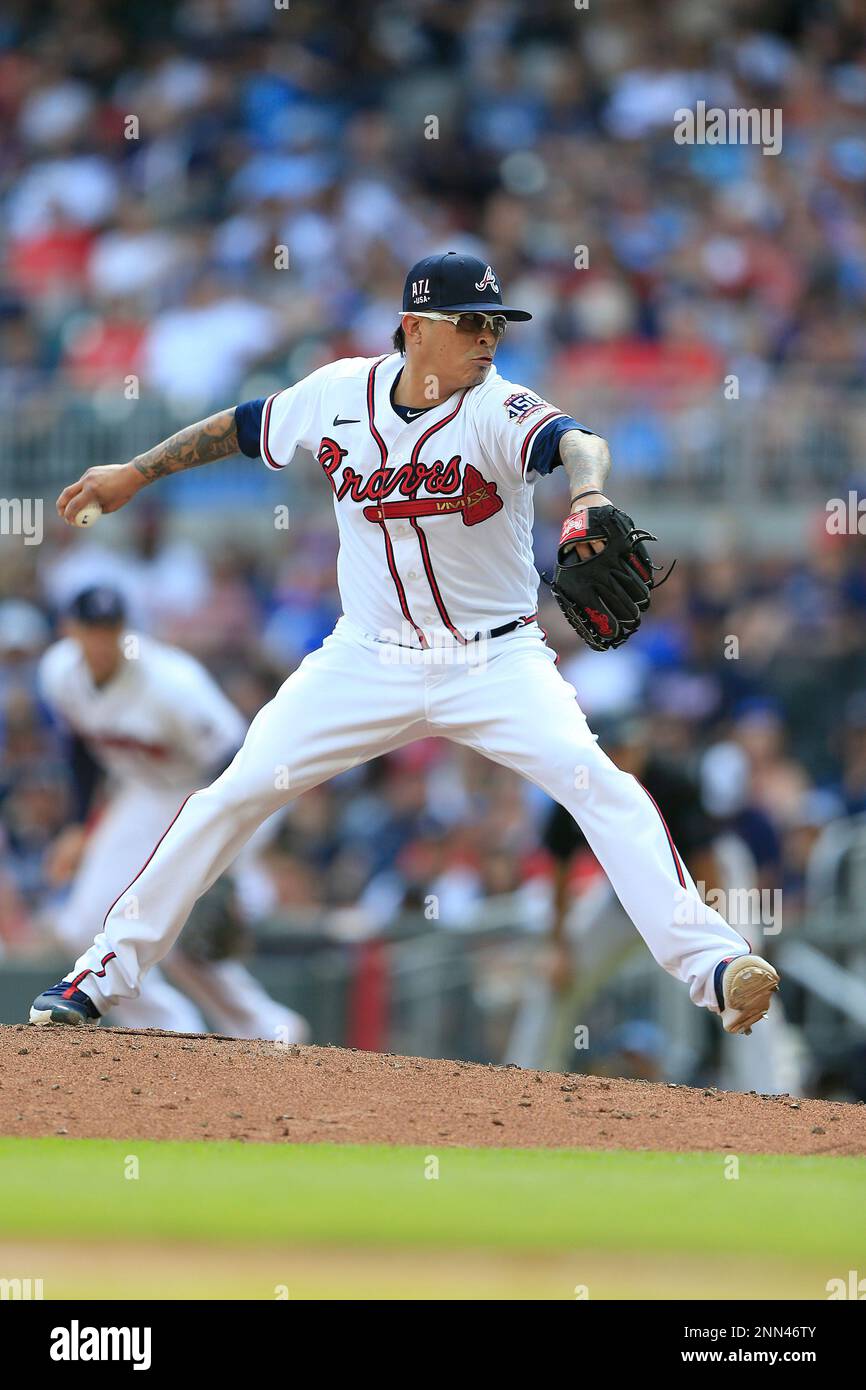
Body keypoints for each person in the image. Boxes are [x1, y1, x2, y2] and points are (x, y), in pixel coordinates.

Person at [30, 252, 779, 1037]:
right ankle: (98, 977)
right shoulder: (338, 393)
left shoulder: (496, 406)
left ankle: (715, 966)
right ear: (416, 328)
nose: (488, 338)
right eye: (470, 323)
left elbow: (577, 439)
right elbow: (242, 427)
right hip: (367, 658)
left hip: (495, 660)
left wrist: (589, 495)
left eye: (496, 323)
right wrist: (135, 474)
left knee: (597, 783)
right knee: (231, 793)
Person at [34, 584, 307, 1041]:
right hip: (145, 792)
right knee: (80, 924)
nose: (101, 641)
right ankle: (169, 1033)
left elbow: (238, 761)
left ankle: (272, 1029)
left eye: (110, 630)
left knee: (180, 931)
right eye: (91, 630)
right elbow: (80, 746)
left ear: (125, 631)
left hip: (219, 787)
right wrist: (78, 825)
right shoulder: (59, 671)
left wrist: (224, 864)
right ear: (69, 630)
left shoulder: (171, 683)